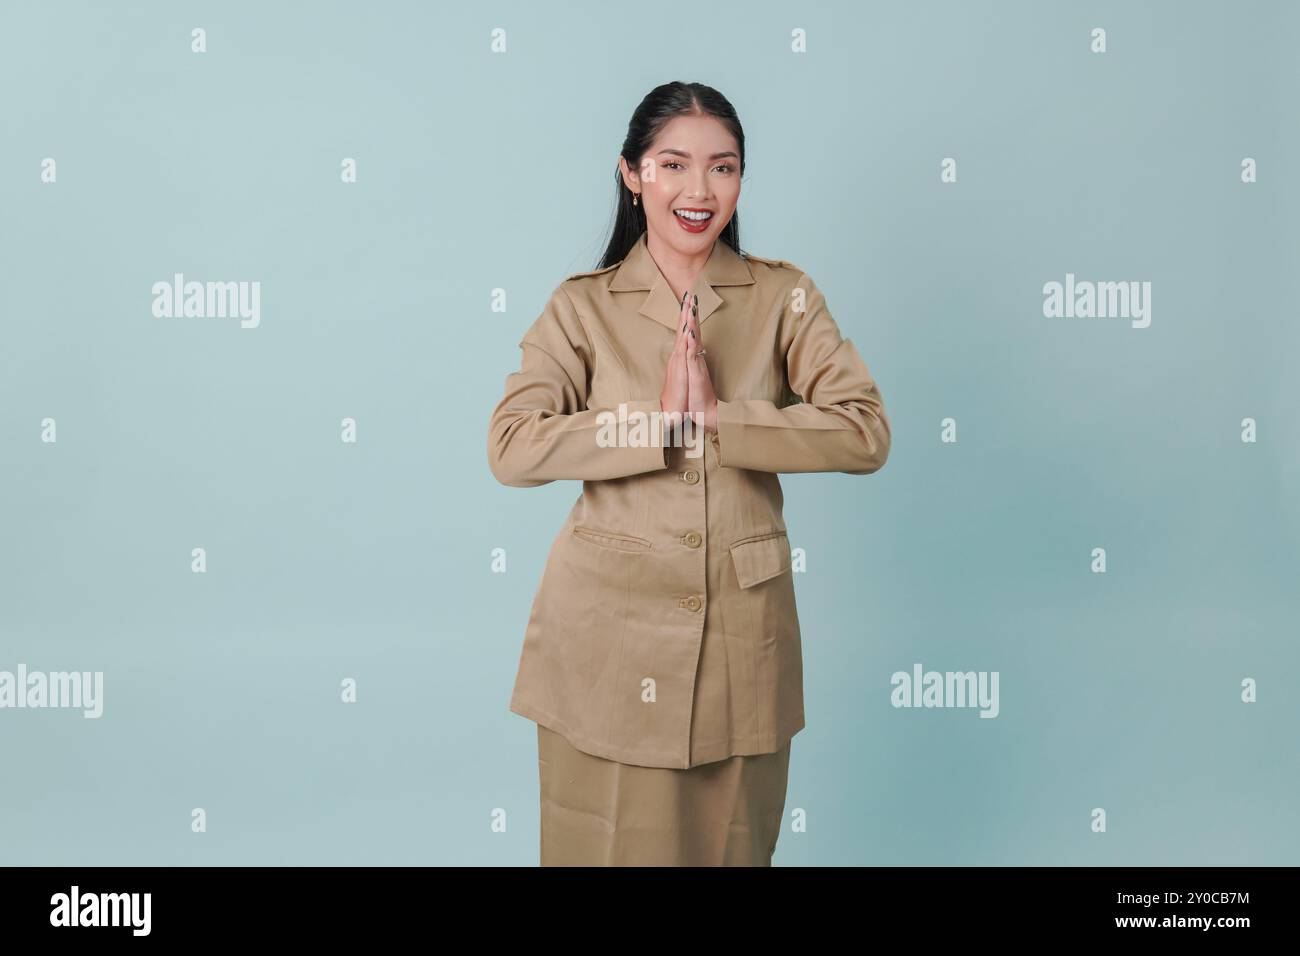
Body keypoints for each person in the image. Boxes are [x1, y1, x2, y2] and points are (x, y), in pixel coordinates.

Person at [487, 81, 892, 866]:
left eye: (724, 167)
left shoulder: (785, 297)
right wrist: (655, 424)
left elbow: (863, 430)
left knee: (730, 849)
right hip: (604, 641)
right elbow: (511, 443)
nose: (700, 191)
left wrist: (723, 420)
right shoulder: (582, 307)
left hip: (742, 641)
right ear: (632, 175)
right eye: (673, 164)